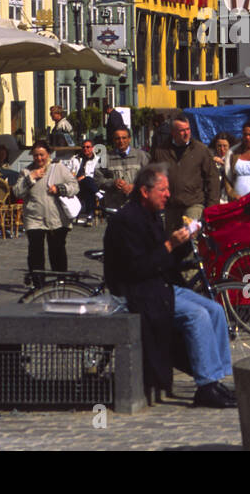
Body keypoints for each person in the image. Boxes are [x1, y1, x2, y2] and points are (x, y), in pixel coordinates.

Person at [102, 164, 236, 408]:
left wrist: (183, 241)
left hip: (159, 285)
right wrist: (169, 246)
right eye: (162, 190)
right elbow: (136, 269)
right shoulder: (126, 220)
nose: (167, 195)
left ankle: (216, 379)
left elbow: (166, 260)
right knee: (197, 316)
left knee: (215, 310)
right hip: (138, 292)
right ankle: (205, 386)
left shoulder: (151, 215)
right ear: (145, 191)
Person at [13, 141, 79, 285]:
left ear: (48, 154)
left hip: (57, 218)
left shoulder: (58, 168)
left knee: (57, 250)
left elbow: (75, 186)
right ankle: (38, 283)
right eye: (36, 155)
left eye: (42, 155)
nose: (39, 158)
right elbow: (17, 192)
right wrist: (31, 178)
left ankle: (61, 280)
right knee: (35, 252)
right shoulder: (26, 172)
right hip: (34, 218)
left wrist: (60, 188)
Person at [153, 113, 219, 232]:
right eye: (182, 130)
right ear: (173, 132)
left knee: (189, 237)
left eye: (188, 129)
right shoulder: (161, 151)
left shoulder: (201, 150)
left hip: (193, 204)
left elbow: (212, 178)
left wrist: (212, 207)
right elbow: (152, 176)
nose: (186, 133)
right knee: (172, 243)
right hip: (170, 206)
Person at [96, 125, 150, 213]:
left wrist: (135, 186)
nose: (121, 141)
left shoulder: (142, 156)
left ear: (129, 139)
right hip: (114, 208)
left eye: (124, 138)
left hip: (137, 206)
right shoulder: (104, 158)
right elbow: (97, 180)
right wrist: (112, 183)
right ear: (113, 140)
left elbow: (151, 178)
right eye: (117, 138)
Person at [67, 138, 100, 220]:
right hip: (76, 185)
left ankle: (90, 214)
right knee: (88, 182)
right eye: (84, 147)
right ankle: (98, 195)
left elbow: (99, 176)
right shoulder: (74, 159)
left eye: (88, 147)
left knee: (88, 183)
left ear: (92, 148)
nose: (85, 149)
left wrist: (84, 177)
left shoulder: (97, 160)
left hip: (91, 184)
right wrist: (76, 179)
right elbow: (67, 173)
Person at [209, 133, 234, 204]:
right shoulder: (210, 156)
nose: (222, 149)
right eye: (219, 146)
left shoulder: (234, 158)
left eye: (225, 146)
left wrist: (225, 164)